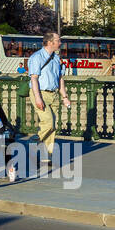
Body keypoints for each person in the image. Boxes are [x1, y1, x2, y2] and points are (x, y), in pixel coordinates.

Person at [27, 31, 71, 160]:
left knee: (53, 127)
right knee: (49, 122)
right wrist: (38, 98)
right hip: (41, 93)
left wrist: (64, 97)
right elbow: (34, 79)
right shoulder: (37, 57)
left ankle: (47, 155)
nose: (60, 43)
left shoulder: (56, 58)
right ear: (50, 42)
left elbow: (60, 79)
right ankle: (34, 141)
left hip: (54, 94)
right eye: (58, 40)